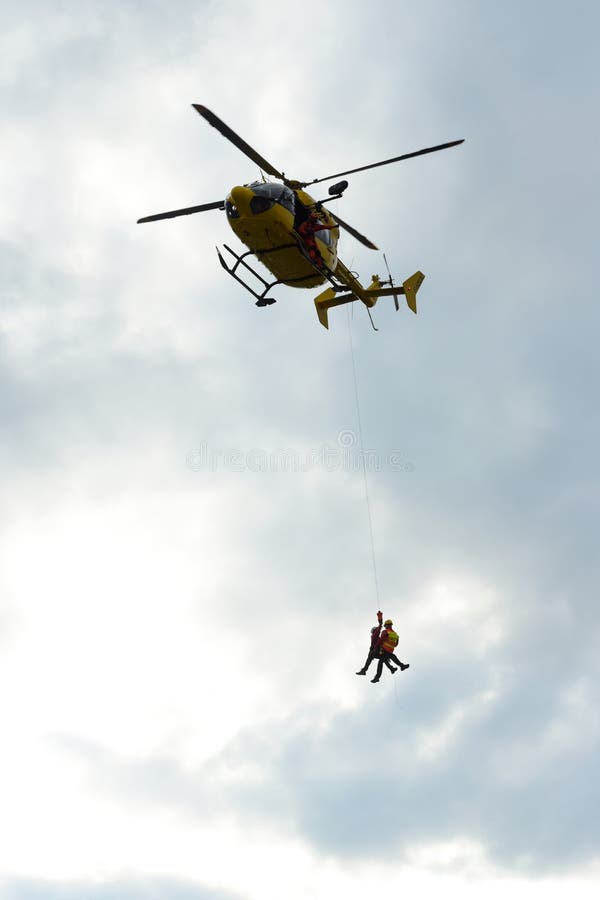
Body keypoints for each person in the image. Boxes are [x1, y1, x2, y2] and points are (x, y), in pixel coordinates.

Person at [356, 610, 395, 676]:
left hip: (376, 651)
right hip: (378, 651)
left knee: (371, 659)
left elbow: (380, 626)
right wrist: (379, 618)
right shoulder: (375, 636)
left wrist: (380, 617)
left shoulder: (375, 636)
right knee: (383, 658)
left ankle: (364, 670)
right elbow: (379, 627)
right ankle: (391, 668)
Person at [370, 618, 409, 683]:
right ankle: (401, 666)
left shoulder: (385, 632)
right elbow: (396, 644)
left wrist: (376, 648)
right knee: (393, 657)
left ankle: (377, 677)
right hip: (389, 651)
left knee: (382, 662)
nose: (385, 627)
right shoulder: (395, 634)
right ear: (391, 625)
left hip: (384, 650)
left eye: (385, 626)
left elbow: (381, 640)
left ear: (387, 625)